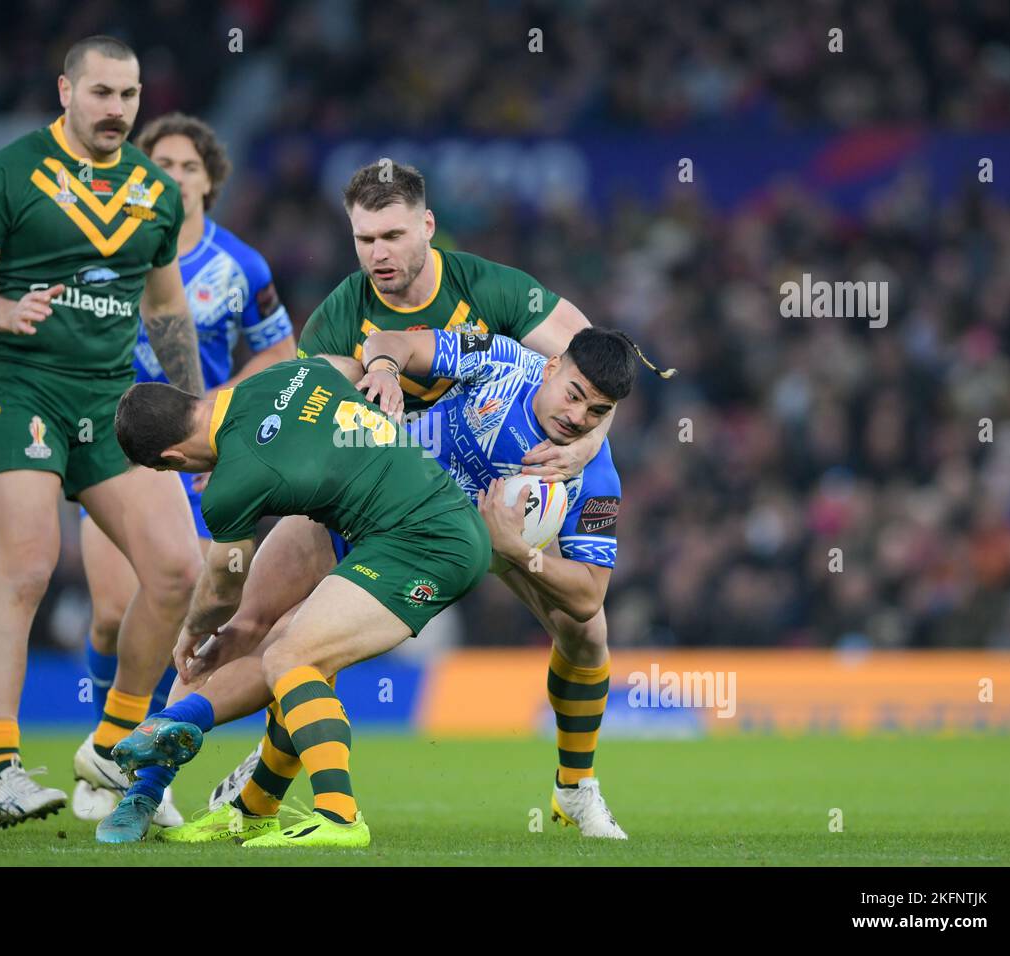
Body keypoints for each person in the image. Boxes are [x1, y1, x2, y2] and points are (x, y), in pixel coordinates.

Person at [152, 327, 674, 846]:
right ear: (552, 365)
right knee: (258, 628)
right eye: (575, 395)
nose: (577, 417)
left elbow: (588, 594)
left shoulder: (594, 478)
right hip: (366, 497)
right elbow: (395, 342)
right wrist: (385, 369)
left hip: (444, 547)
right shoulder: (498, 362)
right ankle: (161, 790)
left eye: (596, 413)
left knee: (586, 633)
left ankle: (576, 787)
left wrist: (521, 553)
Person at [0, 36, 204, 829]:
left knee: (177, 569)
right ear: (65, 91)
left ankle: (114, 744)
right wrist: (3, 312)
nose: (117, 109)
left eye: (129, 95)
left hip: (110, 403)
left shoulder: (155, 192)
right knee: (27, 570)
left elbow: (164, 307)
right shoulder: (8, 174)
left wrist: (193, 414)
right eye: (102, 93)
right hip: (17, 389)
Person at [93, 354, 492, 846]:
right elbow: (347, 367)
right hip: (382, 522)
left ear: (172, 461)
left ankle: (339, 817)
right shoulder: (285, 375)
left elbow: (221, 589)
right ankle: (224, 805)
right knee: (252, 637)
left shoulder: (231, 486)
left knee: (289, 655)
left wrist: (193, 629)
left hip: (427, 543)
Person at [71, 112, 295, 824]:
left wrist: (217, 411)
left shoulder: (242, 266)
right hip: (114, 452)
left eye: (187, 166)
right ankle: (108, 742)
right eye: (159, 164)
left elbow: (280, 352)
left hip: (198, 459)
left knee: (189, 613)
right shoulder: (108, 257)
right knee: (109, 614)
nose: (174, 176)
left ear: (210, 181)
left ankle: (139, 767)